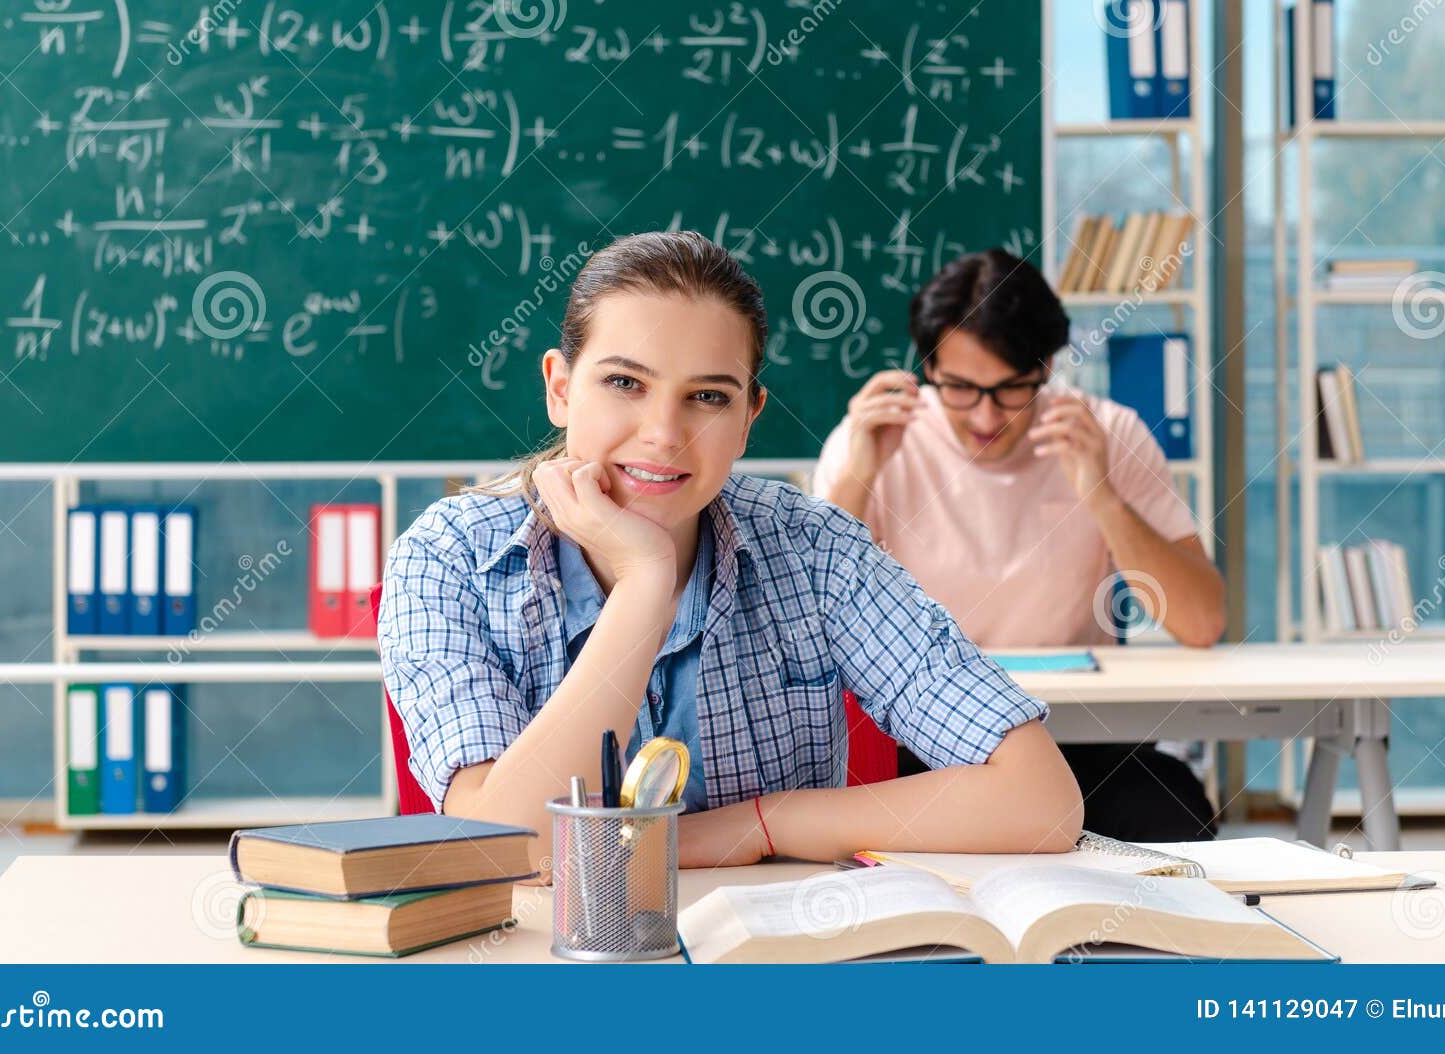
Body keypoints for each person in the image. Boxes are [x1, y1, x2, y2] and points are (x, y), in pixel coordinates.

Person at [380, 232, 1082, 868]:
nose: (663, 433)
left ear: (749, 418)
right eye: (625, 383)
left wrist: (764, 825)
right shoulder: (448, 558)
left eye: (708, 397)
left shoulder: (814, 549)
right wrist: (645, 585)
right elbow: (508, 849)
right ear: (561, 389)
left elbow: (1042, 801)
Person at [814, 248, 1227, 842]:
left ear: (1048, 367)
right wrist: (859, 476)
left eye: (1012, 390)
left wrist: (1102, 495)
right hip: (921, 745)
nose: (985, 417)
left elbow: (1202, 621)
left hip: (1078, 742)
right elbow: (804, 612)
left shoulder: (1106, 433)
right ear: (927, 367)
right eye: (959, 387)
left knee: (1174, 813)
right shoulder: (876, 438)